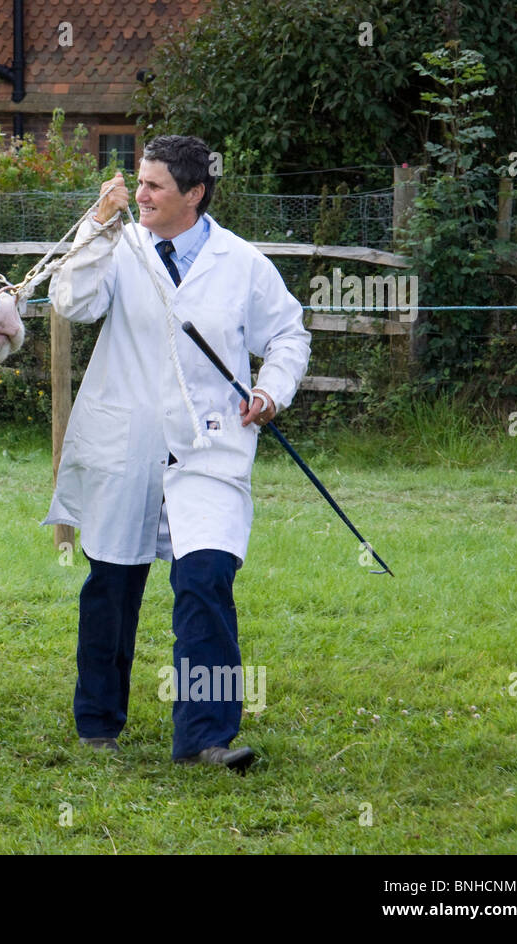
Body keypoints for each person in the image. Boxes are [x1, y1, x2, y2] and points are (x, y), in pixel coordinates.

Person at [45, 134, 311, 772]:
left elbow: (288, 333)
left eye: (154, 186)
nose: (140, 195)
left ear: (194, 193)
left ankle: (206, 737)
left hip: (210, 448)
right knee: (111, 584)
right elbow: (70, 302)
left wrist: (271, 391)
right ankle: (98, 722)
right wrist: (97, 227)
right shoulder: (119, 247)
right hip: (127, 444)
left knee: (206, 582)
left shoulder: (241, 263)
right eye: (138, 183)